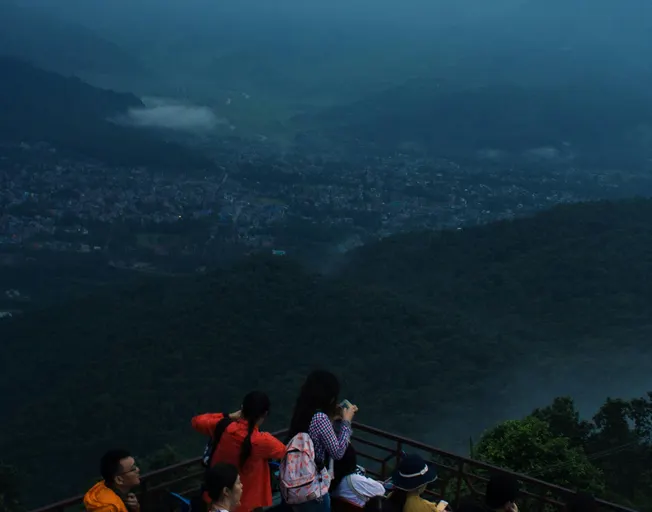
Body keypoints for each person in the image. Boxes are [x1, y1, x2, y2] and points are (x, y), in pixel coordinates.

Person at [192, 391, 286, 512]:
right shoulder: (262, 441)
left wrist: (229, 416)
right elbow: (284, 451)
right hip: (248, 505)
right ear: (265, 414)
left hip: (216, 502)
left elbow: (196, 421)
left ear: (242, 409)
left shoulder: (223, 427)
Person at [286, 370, 358, 512]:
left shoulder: (303, 411)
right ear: (331, 398)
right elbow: (338, 452)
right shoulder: (320, 418)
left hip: (294, 482)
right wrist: (347, 421)